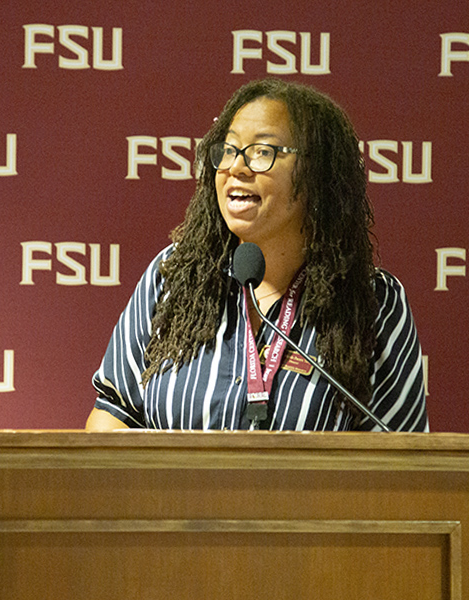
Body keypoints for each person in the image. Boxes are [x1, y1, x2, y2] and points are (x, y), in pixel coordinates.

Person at [86, 78, 428, 432]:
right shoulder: (173, 276)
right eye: (229, 150)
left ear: (317, 174)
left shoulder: (372, 302)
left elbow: (401, 459)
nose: (237, 167)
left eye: (263, 152)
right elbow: (113, 415)